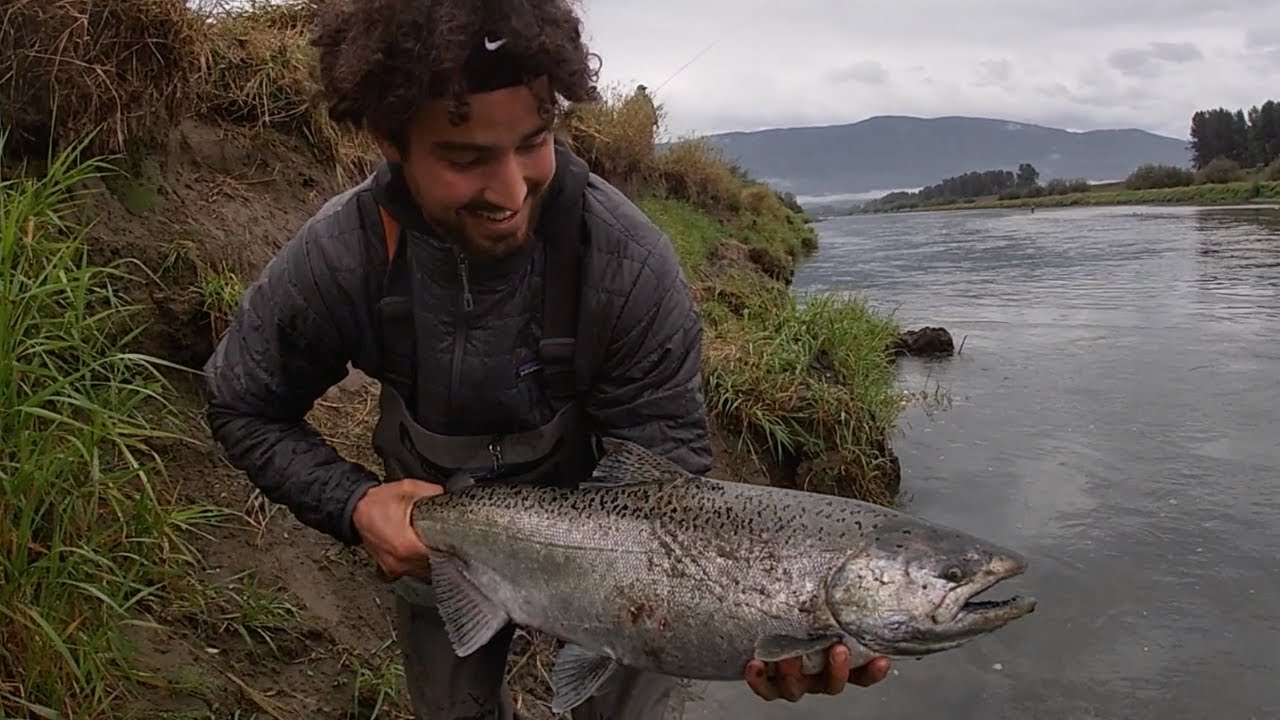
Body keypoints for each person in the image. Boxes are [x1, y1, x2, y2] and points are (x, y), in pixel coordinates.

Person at [200, 0, 891, 717]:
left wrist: (753, 634)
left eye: (534, 141)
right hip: (441, 551)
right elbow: (242, 403)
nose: (510, 192)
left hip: (633, 567)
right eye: (466, 159)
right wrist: (354, 503)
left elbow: (673, 484)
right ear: (389, 140)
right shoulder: (342, 257)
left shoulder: (627, 265)